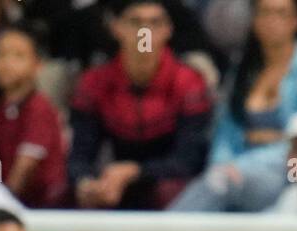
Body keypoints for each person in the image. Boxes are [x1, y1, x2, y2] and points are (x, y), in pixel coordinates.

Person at [172, 0, 297, 216]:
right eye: (264, 13)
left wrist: (242, 166)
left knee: (219, 183)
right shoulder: (243, 67)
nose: (272, 21)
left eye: (281, 14)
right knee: (216, 181)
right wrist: (222, 164)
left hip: (293, 172)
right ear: (254, 20)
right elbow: (226, 129)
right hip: (236, 172)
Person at [68, 0, 213, 211]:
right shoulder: (94, 83)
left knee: (170, 190)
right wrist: (85, 183)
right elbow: (80, 153)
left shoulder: (189, 82)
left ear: (168, 30)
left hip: (167, 180)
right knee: (70, 191)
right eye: (136, 22)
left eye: (154, 23)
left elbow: (189, 159)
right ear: (116, 28)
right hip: (113, 182)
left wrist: (134, 171)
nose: (144, 33)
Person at [0, 23, 65, 208]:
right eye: (1, 54)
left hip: (44, 206)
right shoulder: (0, 110)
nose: (7, 63)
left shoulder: (39, 107)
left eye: (18, 56)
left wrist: (2, 203)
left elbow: (26, 165)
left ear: (38, 65)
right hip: (9, 199)